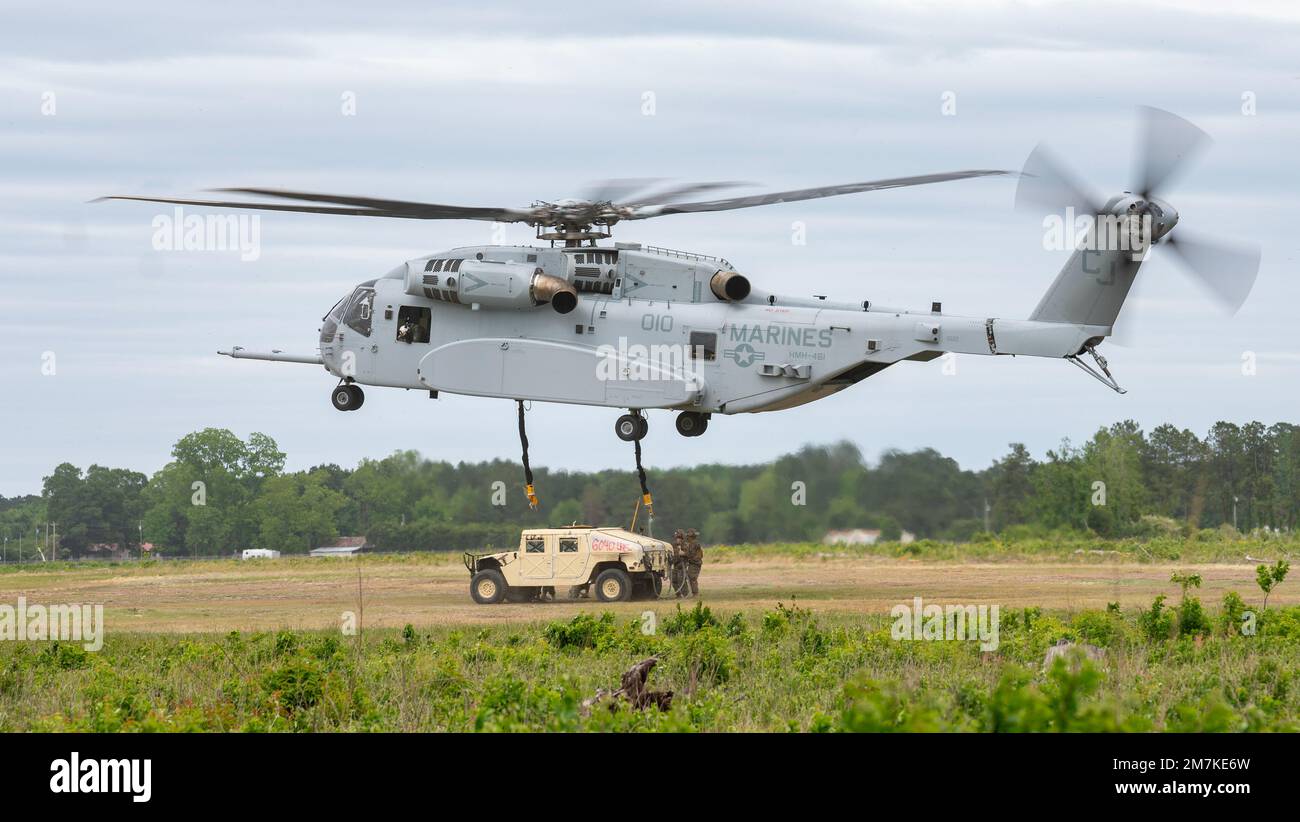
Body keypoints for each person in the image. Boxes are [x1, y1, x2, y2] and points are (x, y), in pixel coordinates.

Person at [683, 528, 703, 597]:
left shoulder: (695, 544)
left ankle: (695, 593)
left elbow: (693, 554)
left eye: (688, 536)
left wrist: (684, 554)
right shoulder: (691, 544)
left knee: (692, 577)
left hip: (695, 563)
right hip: (693, 563)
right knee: (691, 577)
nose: (687, 538)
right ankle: (694, 593)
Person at [670, 529, 688, 597]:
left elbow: (689, 554)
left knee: (681, 580)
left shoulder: (685, 545)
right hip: (674, 565)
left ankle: (685, 594)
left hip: (682, 565)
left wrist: (683, 553)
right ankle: (678, 594)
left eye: (680, 538)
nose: (678, 539)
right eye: (677, 537)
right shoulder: (672, 545)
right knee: (673, 580)